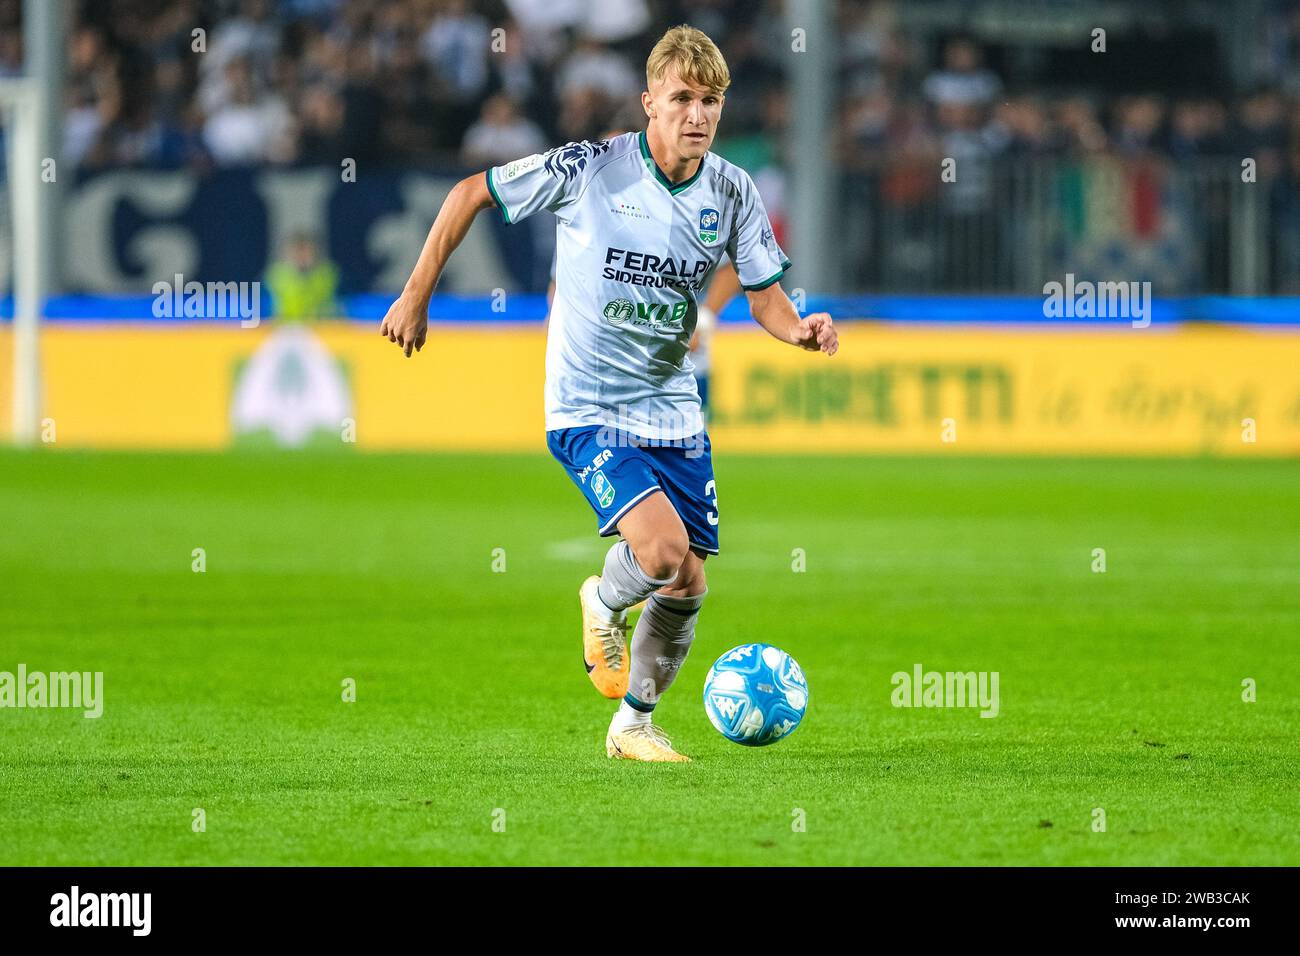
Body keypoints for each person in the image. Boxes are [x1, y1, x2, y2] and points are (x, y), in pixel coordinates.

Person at [379, 25, 838, 762]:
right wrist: (416, 295)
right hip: (588, 405)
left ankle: (633, 726)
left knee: (688, 582)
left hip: (672, 407)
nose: (698, 114)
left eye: (711, 100)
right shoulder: (591, 167)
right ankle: (602, 596)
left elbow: (764, 297)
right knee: (660, 553)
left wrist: (801, 331)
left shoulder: (732, 190)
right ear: (649, 101)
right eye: (683, 97)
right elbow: (472, 192)